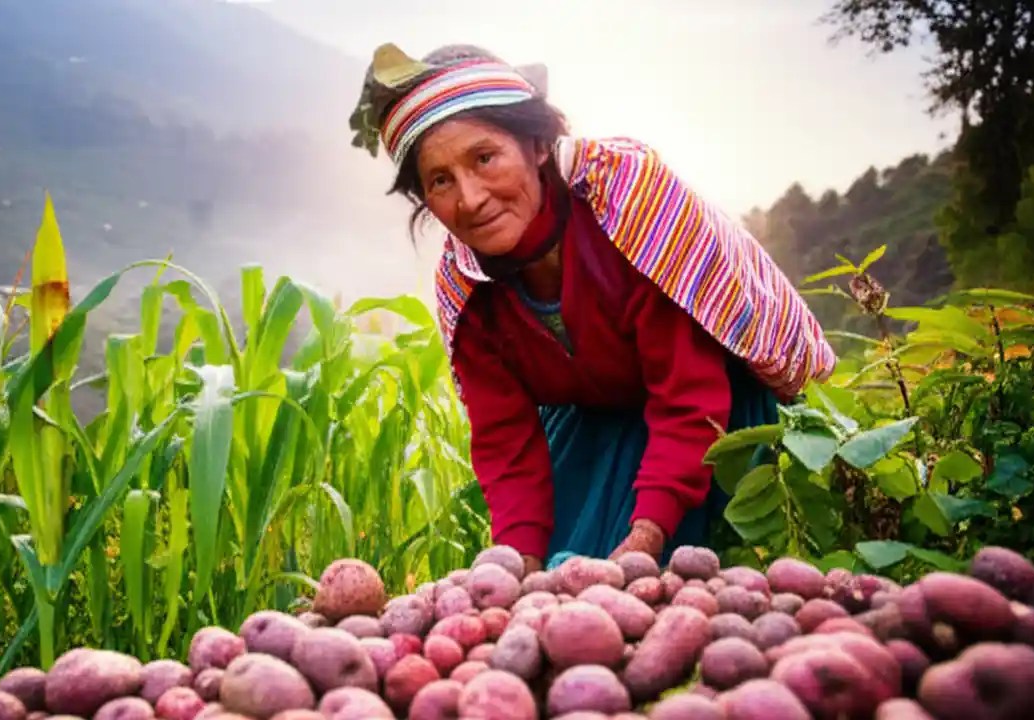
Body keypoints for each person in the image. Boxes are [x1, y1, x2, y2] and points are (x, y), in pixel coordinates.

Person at [348, 43, 836, 575]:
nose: (469, 199)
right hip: (591, 423)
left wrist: (644, 539)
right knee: (553, 585)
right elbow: (505, 441)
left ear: (537, 145)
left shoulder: (630, 216)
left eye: (484, 158)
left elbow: (687, 395)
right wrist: (518, 569)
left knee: (673, 585)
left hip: (714, 419)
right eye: (440, 181)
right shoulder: (468, 288)